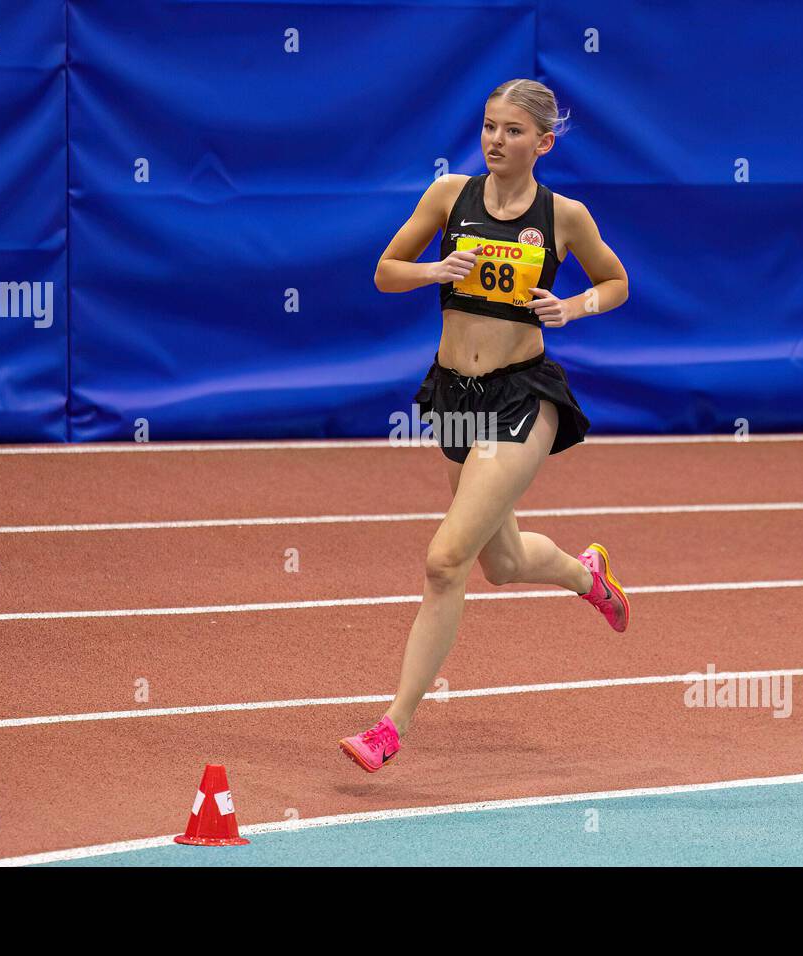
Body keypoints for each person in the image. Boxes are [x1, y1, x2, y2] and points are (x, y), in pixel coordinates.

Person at [339, 79, 632, 773]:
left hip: (521, 397)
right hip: (456, 396)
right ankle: (587, 575)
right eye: (489, 126)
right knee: (499, 564)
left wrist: (575, 307)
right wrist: (434, 269)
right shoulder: (449, 197)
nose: (496, 140)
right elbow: (384, 272)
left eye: (513, 131)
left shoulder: (565, 216)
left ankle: (391, 724)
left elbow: (617, 281)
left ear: (543, 143)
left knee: (446, 561)